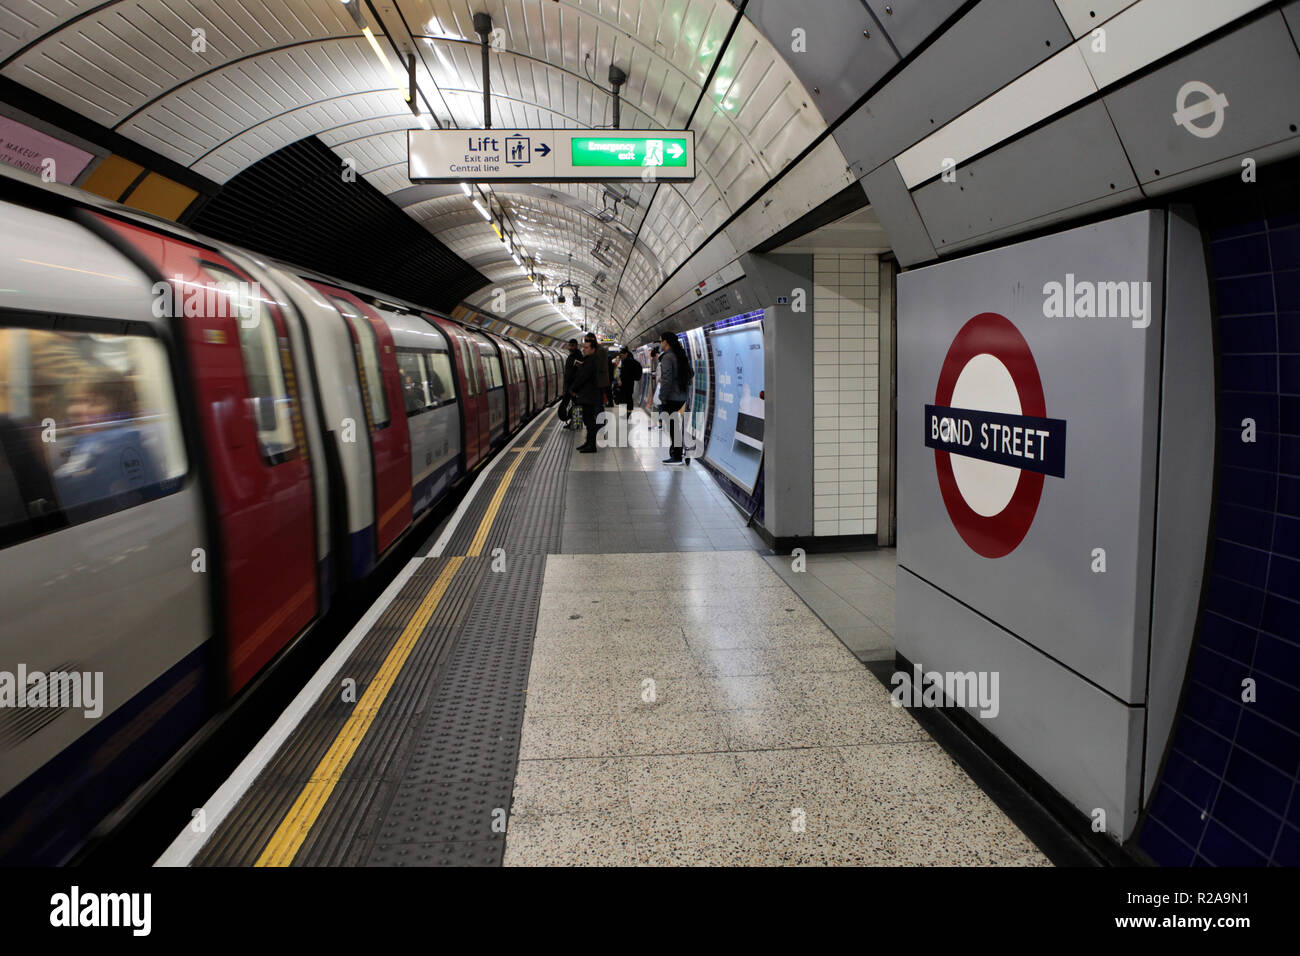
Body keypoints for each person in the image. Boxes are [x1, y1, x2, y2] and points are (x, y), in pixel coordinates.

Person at [657, 333, 692, 465]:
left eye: (661, 341)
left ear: (666, 342)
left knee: (673, 427)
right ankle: (681, 452)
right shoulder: (681, 355)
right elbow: (691, 373)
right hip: (682, 397)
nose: (660, 344)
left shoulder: (667, 357)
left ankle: (677, 456)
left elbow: (666, 379)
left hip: (671, 397)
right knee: (677, 426)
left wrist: (662, 397)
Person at [569, 339, 602, 453]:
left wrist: (573, 388)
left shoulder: (591, 361)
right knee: (588, 421)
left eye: (587, 347)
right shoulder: (589, 360)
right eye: (584, 347)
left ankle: (591, 445)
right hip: (587, 395)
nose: (584, 349)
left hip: (588, 395)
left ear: (593, 349)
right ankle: (588, 443)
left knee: (589, 421)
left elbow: (583, 377)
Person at [558, 338, 580, 427]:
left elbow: (577, 372)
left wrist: (574, 387)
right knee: (573, 404)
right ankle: (574, 422)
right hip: (569, 385)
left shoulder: (578, 357)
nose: (569, 347)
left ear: (576, 346)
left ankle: (576, 424)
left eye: (572, 346)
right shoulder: (571, 356)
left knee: (577, 404)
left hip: (573, 386)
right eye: (569, 345)